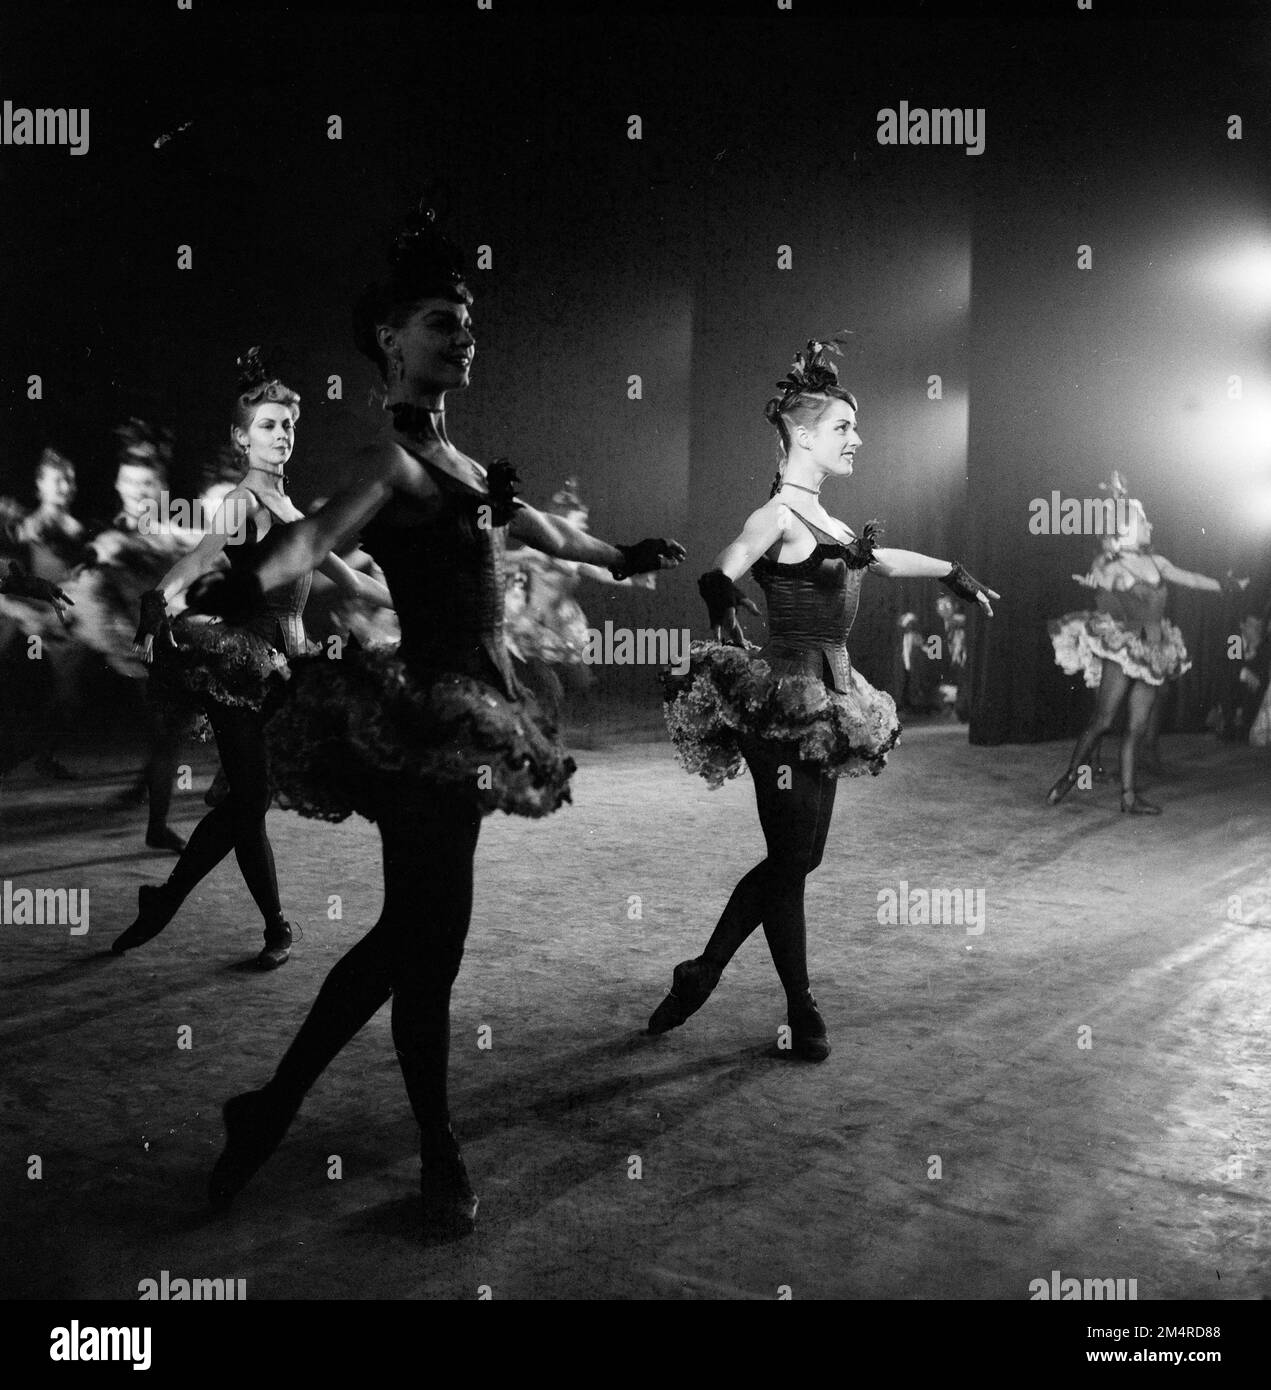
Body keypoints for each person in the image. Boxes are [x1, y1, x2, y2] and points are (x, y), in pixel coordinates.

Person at [186, 203, 686, 1239]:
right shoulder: (394, 463)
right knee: (421, 942)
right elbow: (305, 542)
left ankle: (279, 1112)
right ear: (388, 340)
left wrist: (618, 557)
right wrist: (226, 584)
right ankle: (415, 1144)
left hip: (476, 714)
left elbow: (533, 526)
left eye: (464, 320)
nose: (460, 334)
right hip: (423, 720)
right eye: (436, 321)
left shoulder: (460, 466)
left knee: (420, 942)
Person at [655, 338, 998, 1060]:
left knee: (798, 858)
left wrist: (951, 570)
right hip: (781, 698)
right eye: (843, 427)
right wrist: (721, 599)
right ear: (802, 435)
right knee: (789, 856)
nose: (856, 439)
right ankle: (772, 995)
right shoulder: (776, 515)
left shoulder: (835, 526)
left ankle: (727, 978)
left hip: (834, 695)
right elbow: (726, 565)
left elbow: (882, 558)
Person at [110, 350, 393, 967]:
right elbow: (204, 556)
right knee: (252, 798)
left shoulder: (296, 512)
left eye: (288, 423)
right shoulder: (243, 504)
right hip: (242, 661)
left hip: (287, 663)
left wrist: (423, 601)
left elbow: (353, 586)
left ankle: (188, 907)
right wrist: (160, 595)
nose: (282, 434)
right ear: (242, 438)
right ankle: (260, 925)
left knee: (248, 802)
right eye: (267, 424)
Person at [1047, 475, 1241, 814]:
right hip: (1125, 648)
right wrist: (1099, 577)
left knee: (1137, 727)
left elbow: (1192, 578)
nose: (1149, 524)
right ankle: (1068, 778)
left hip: (1154, 650)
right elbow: (1101, 582)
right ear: (1125, 528)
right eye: (1142, 520)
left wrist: (1226, 586)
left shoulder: (1157, 562)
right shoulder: (1113, 565)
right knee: (1104, 720)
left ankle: (1129, 797)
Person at [503, 477, 656, 734]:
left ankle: (582, 728)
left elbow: (603, 573)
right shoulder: (537, 552)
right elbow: (509, 558)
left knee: (582, 681)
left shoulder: (575, 554)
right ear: (562, 521)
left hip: (563, 624)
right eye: (579, 519)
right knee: (551, 687)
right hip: (533, 624)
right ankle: (543, 732)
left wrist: (634, 581)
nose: (584, 523)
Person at [0, 448, 89, 779]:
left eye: (69, 479)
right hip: (24, 623)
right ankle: (15, 755)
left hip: (64, 626)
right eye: (56, 480)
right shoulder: (20, 529)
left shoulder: (81, 533)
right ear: (40, 486)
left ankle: (41, 758)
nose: (64, 486)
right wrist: (27, 617)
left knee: (69, 699)